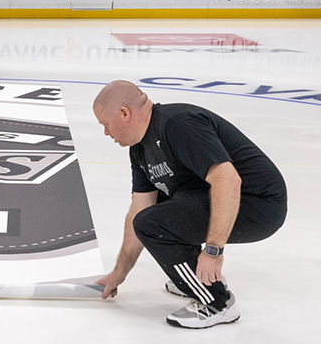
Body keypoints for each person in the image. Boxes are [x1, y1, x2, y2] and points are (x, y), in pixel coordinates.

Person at [92, 81, 287, 329]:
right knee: (151, 212)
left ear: (124, 113)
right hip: (221, 196)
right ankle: (197, 277)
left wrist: (213, 251)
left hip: (258, 204)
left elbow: (228, 180)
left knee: (152, 224)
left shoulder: (178, 124)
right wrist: (120, 273)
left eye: (105, 125)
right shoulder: (139, 150)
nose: (107, 133)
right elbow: (139, 208)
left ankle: (217, 303)